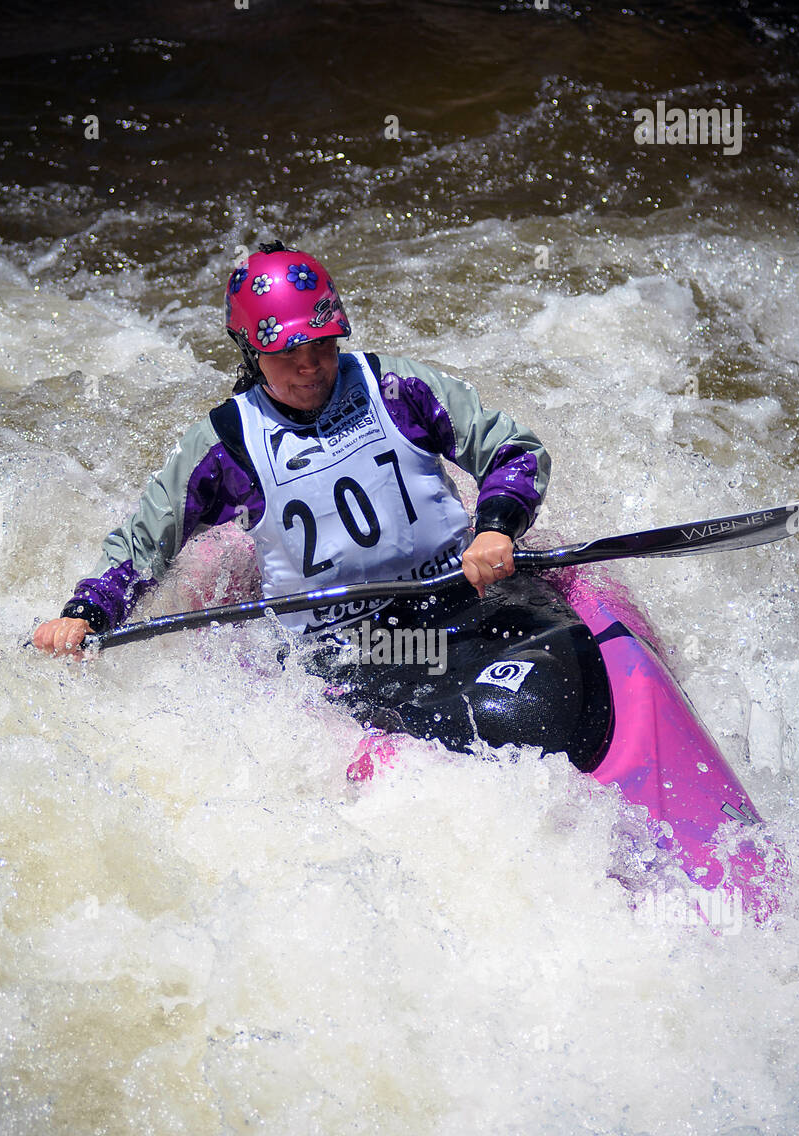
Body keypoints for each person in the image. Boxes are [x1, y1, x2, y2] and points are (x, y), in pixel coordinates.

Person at [32, 241, 611, 772]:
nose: (310, 365)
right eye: (289, 353)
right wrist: (88, 613)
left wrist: (497, 528)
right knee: (505, 719)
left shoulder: (397, 389)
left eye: (321, 345)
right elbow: (145, 541)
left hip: (467, 600)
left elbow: (515, 449)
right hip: (347, 650)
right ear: (252, 352)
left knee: (549, 697)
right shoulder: (227, 445)